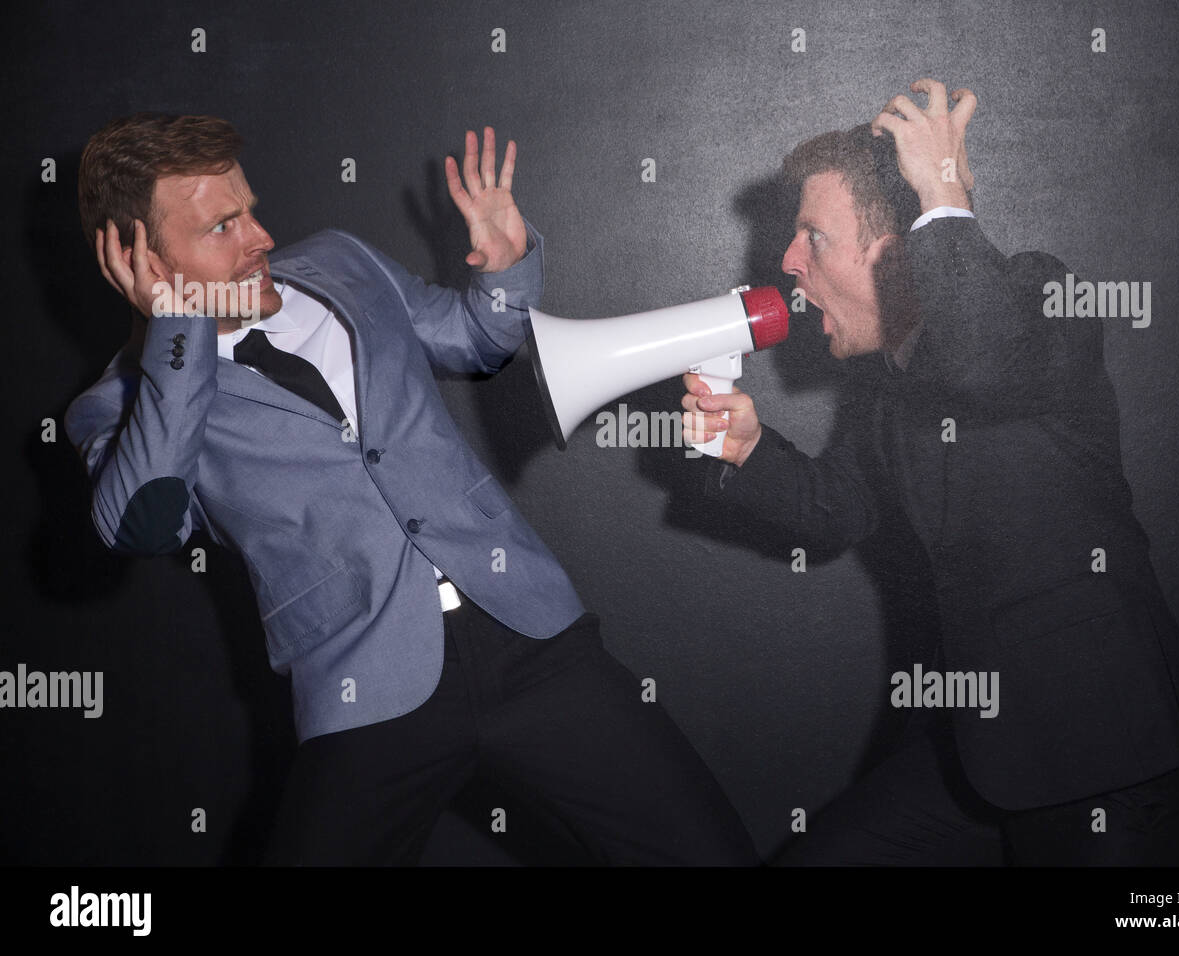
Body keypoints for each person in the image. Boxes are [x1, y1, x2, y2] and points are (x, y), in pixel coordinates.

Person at [67, 112, 757, 866]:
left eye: (251, 210)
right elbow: (144, 522)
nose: (259, 237)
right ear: (138, 255)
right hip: (365, 689)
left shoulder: (338, 262)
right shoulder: (115, 404)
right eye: (222, 227)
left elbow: (477, 339)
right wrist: (175, 334)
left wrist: (506, 265)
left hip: (528, 637)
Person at [681, 79, 1179, 865]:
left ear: (890, 244)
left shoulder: (1042, 296)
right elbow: (832, 511)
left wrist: (940, 188)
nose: (788, 261)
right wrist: (744, 450)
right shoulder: (883, 391)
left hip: (1118, 767)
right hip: (984, 759)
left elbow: (979, 357)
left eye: (812, 237)